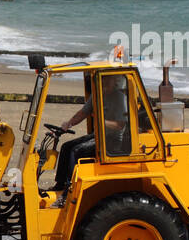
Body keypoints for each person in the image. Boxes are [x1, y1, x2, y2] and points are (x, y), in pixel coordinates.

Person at [51, 74, 131, 202]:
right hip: (98, 135)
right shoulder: (97, 95)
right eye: (102, 81)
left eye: (107, 80)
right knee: (66, 147)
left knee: (77, 151)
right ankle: (60, 184)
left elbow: (120, 125)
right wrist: (68, 124)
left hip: (113, 140)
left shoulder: (120, 98)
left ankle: (70, 190)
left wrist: (101, 121)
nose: (104, 83)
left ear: (114, 80)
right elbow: (83, 113)